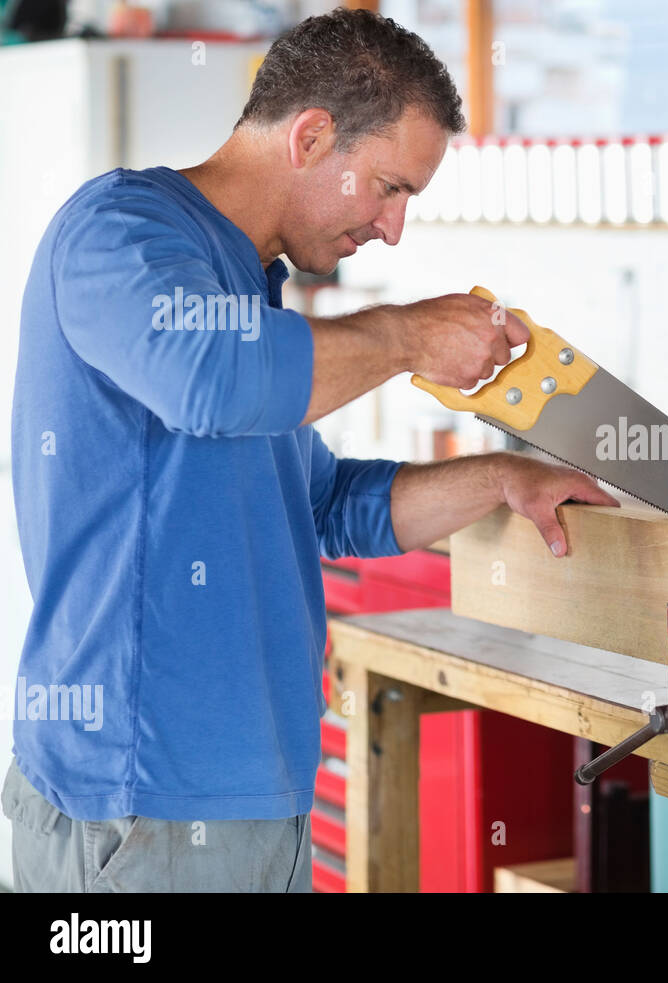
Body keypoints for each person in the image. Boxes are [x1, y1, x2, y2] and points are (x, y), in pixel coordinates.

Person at [3, 7, 616, 892]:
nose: (394, 227)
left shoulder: (253, 293)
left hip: (260, 801)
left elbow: (328, 506)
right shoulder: (120, 234)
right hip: (141, 811)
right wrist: (404, 336)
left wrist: (501, 477)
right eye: (388, 187)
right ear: (312, 135)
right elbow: (209, 376)